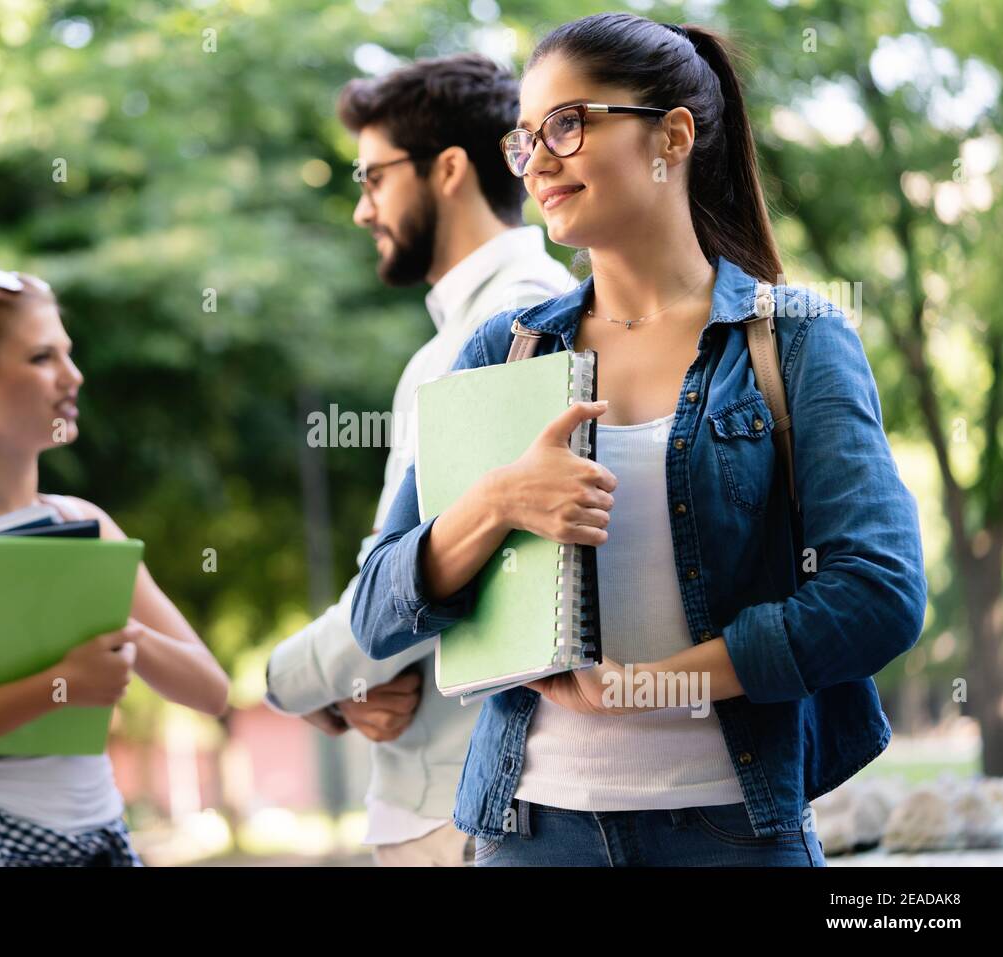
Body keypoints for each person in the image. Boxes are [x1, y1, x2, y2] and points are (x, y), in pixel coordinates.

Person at [350, 13, 927, 867]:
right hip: (528, 833)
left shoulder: (795, 340)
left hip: (732, 833)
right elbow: (376, 608)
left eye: (568, 124)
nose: (538, 159)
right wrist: (499, 499)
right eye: (524, 137)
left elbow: (879, 592)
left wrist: (656, 683)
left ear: (674, 136)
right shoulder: (502, 351)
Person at [263, 53, 574, 866]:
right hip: (454, 789)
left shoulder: (509, 325)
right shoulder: (481, 328)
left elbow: (400, 589)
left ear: (447, 170)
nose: (363, 209)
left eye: (372, 178)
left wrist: (287, 681)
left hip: (464, 802)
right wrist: (347, 690)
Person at [0, 270, 230, 866]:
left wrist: (121, 638)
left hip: (103, 841)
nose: (72, 377)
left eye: (67, 354)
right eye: (41, 357)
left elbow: (210, 689)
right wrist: (61, 686)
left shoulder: (88, 524)